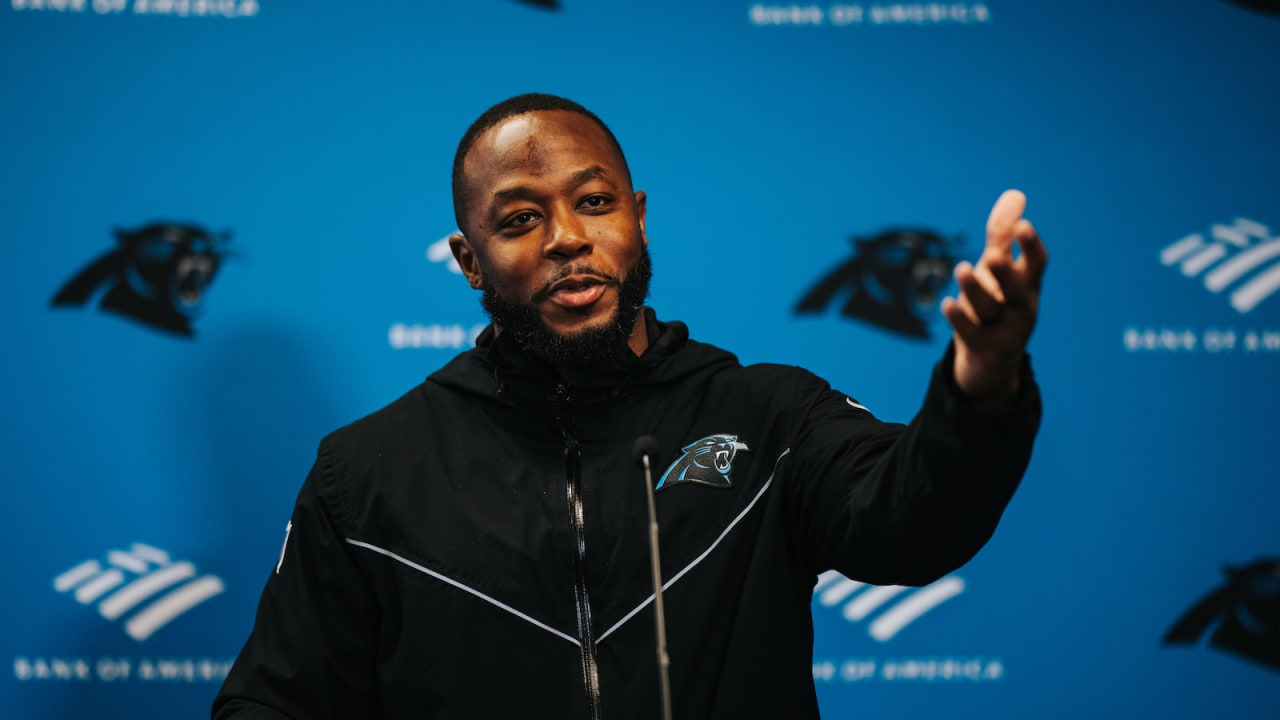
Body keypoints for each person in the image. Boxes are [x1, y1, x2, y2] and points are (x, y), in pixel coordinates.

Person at [212, 93, 1046, 719]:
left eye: (595, 202)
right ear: (469, 260)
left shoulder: (772, 420)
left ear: (638, 219)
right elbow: (272, 704)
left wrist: (981, 383)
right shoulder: (366, 475)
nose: (567, 237)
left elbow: (912, 520)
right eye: (521, 218)